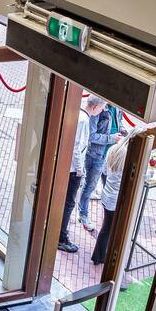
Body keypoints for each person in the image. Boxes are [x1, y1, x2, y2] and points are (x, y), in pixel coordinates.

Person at [78, 97, 122, 233]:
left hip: (111, 154)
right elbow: (91, 136)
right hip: (97, 155)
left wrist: (123, 132)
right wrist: (112, 138)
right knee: (89, 186)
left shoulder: (118, 108)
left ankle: (107, 219)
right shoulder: (100, 108)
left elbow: (118, 124)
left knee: (107, 185)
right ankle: (83, 214)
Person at [90, 131, 135, 266]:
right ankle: (100, 256)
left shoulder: (113, 149)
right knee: (110, 229)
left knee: (107, 227)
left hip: (107, 195)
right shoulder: (129, 156)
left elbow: (104, 172)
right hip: (116, 200)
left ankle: (100, 255)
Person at [57, 100, 91, 254]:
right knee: (69, 203)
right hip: (72, 170)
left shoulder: (74, 110)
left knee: (63, 202)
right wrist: (80, 170)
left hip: (64, 165)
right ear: (96, 107)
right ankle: (61, 238)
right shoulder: (84, 120)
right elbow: (77, 147)